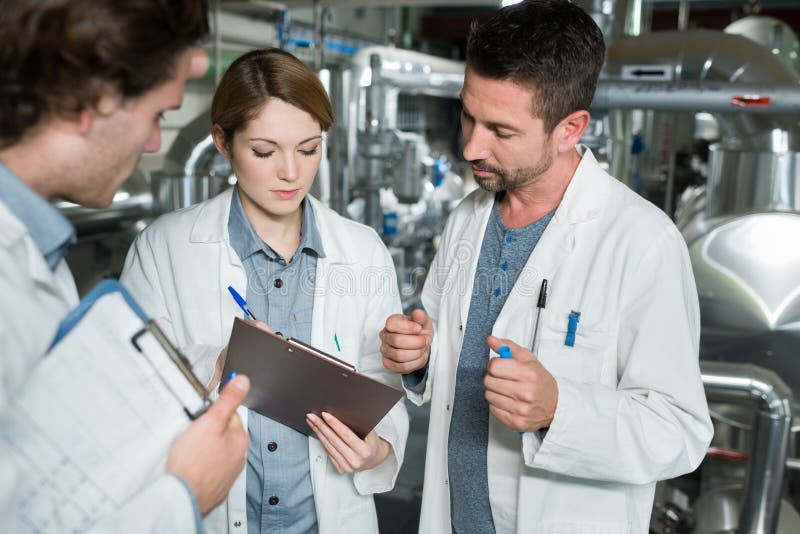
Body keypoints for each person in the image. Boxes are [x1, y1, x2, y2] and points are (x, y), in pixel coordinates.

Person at [380, 1, 713, 532]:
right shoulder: (470, 216)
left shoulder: (640, 242)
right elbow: (451, 350)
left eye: (501, 130)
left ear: (570, 128)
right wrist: (420, 356)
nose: (471, 146)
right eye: (468, 114)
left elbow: (679, 432)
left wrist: (560, 410)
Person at [120, 48, 409, 534]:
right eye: (264, 151)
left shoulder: (361, 250)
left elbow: (382, 385)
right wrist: (213, 363)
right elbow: (126, 389)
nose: (291, 173)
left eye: (309, 148)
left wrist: (376, 449)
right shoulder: (163, 249)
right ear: (222, 142)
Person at [0, 1, 251, 533]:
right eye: (158, 114)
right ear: (94, 100)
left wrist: (200, 372)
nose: (155, 142)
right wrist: (183, 494)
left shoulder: (34, 256)